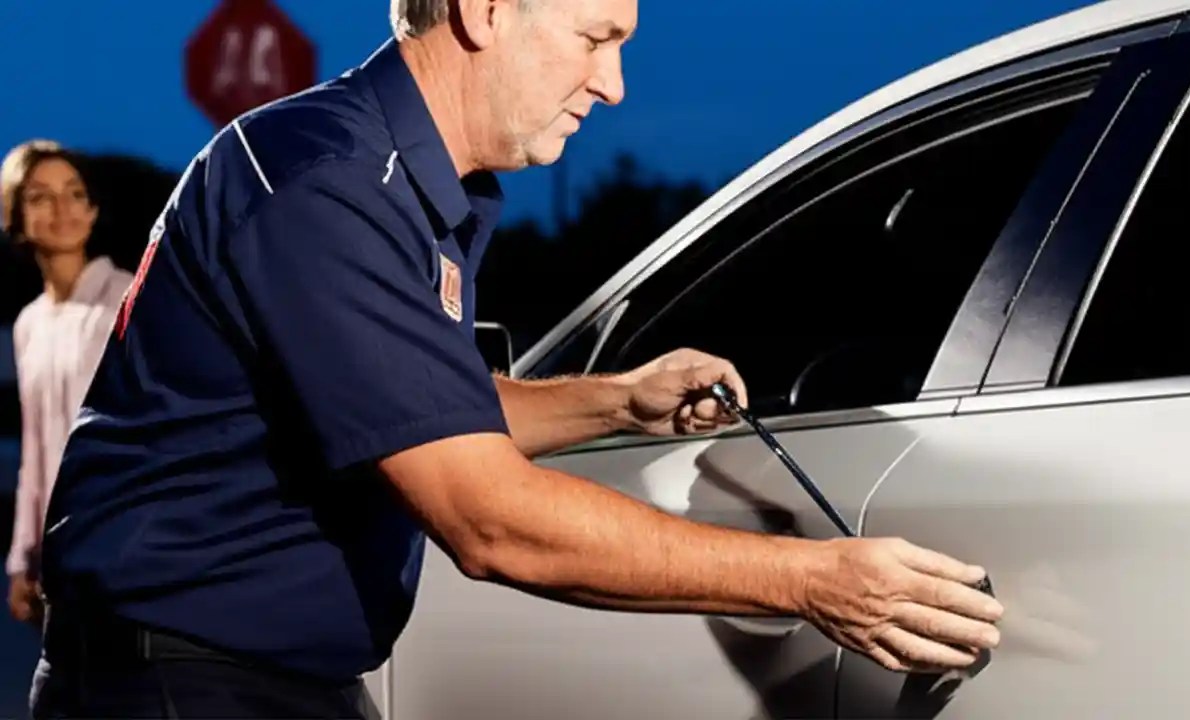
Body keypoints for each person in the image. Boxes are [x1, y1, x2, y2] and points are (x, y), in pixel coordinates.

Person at [32, 0, 1004, 716]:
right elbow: (487, 518)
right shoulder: (324, 186)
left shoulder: (398, 183)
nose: (615, 84)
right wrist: (812, 581)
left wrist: (619, 401)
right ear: (485, 10)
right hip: (178, 684)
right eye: (595, 37)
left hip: (266, 679)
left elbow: (419, 408)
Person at [1, 140, 134, 630]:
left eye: (75, 193)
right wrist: (22, 560)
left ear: (93, 209)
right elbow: (36, 451)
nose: (62, 209)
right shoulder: (29, 324)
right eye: (40, 196)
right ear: (15, 214)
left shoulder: (123, 299)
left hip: (120, 538)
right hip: (60, 552)